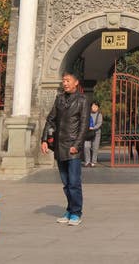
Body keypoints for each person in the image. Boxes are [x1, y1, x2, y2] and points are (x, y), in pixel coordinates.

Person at [41, 72, 91, 226]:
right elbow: (51, 119)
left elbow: (84, 125)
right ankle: (69, 210)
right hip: (60, 146)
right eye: (63, 81)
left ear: (76, 83)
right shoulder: (60, 99)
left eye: (68, 81)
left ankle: (76, 212)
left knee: (74, 182)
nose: (65, 83)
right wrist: (44, 140)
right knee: (66, 182)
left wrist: (77, 145)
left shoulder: (82, 100)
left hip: (72, 147)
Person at [83, 102, 102, 167]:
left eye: (96, 107)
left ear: (98, 107)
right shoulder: (87, 114)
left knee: (95, 148)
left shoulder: (99, 114)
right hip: (88, 133)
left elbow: (99, 123)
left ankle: (93, 162)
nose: (94, 108)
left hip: (96, 133)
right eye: (93, 106)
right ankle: (87, 161)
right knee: (86, 146)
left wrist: (93, 128)